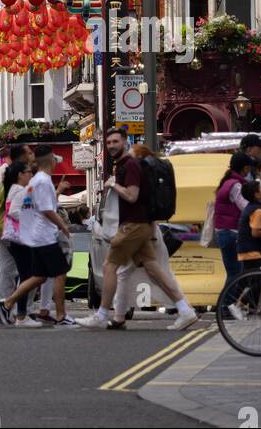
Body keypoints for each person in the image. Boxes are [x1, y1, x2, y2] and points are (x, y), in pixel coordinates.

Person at [80, 129, 197, 331]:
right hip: (141, 226)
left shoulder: (130, 165)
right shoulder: (126, 165)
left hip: (132, 226)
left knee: (109, 266)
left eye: (115, 141)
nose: (111, 146)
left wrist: (114, 185)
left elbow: (132, 196)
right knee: (153, 269)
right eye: (108, 142)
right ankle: (185, 310)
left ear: (125, 142)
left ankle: (101, 315)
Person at [0, 145, 75, 327]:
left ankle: (7, 303)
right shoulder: (43, 181)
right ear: (51, 161)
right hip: (45, 236)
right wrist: (63, 225)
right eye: (55, 159)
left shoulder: (35, 182)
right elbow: (47, 209)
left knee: (38, 276)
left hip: (37, 235)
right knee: (60, 272)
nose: (56, 162)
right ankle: (61, 315)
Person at [0, 160, 38, 326]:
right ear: (20, 175)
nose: (31, 175)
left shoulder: (15, 189)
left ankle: (19, 311)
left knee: (25, 274)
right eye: (28, 172)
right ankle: (20, 314)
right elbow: (13, 211)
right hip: (20, 238)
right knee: (26, 275)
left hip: (17, 238)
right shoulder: (20, 190)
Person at [213, 151, 253, 292]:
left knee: (234, 273)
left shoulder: (228, 182)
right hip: (231, 232)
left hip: (225, 232)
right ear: (245, 168)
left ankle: (226, 308)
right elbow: (245, 207)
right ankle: (225, 307)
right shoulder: (236, 185)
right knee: (235, 274)